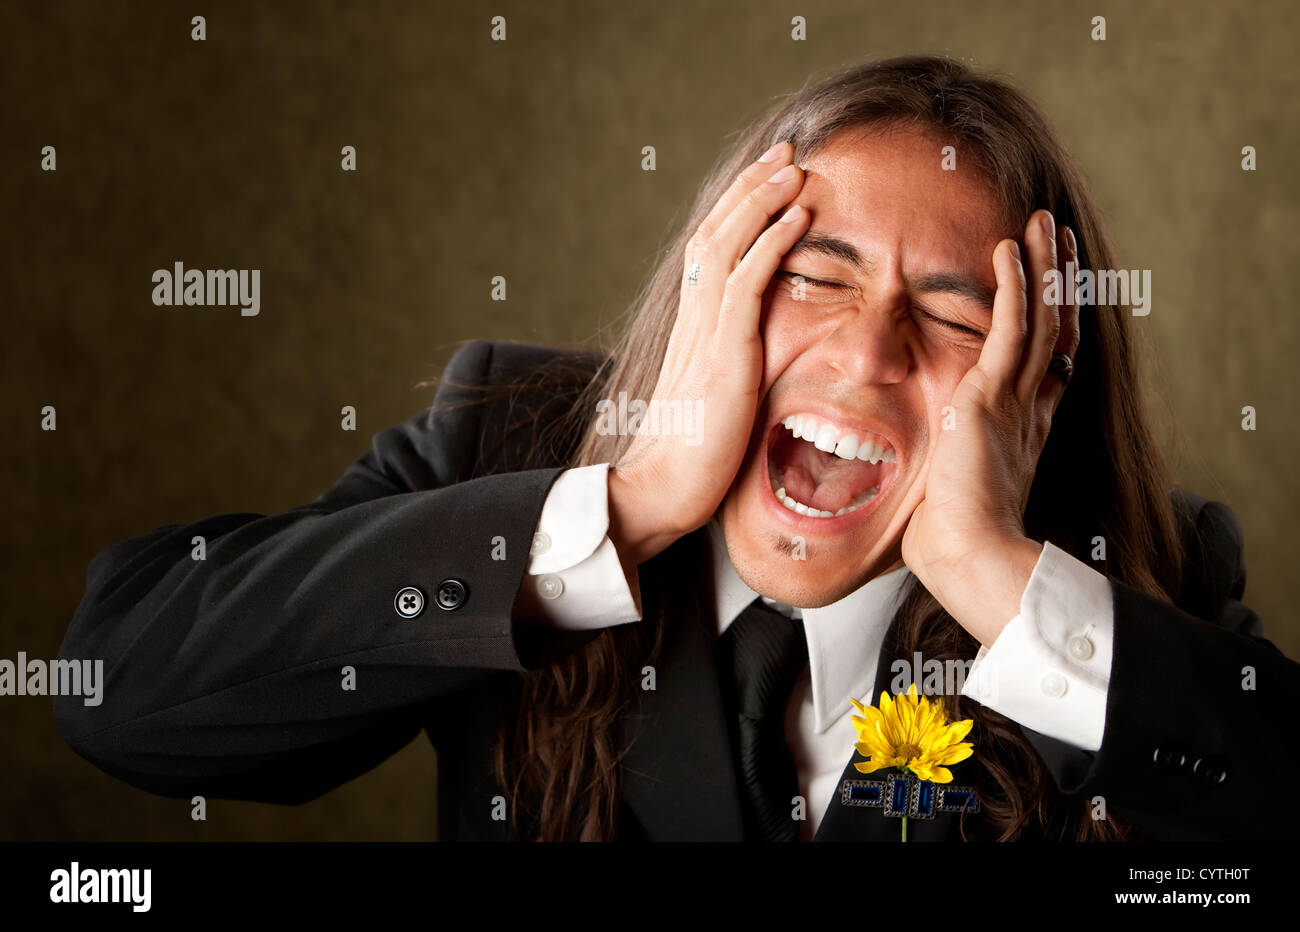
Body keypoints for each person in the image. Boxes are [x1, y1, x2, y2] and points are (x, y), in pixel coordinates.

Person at [55, 55, 1299, 842]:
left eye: (955, 314)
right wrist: (635, 498)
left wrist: (990, 570)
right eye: (814, 275)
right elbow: (122, 690)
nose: (868, 351)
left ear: (1035, 380)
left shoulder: (1123, 576)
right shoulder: (500, 440)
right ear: (715, 286)